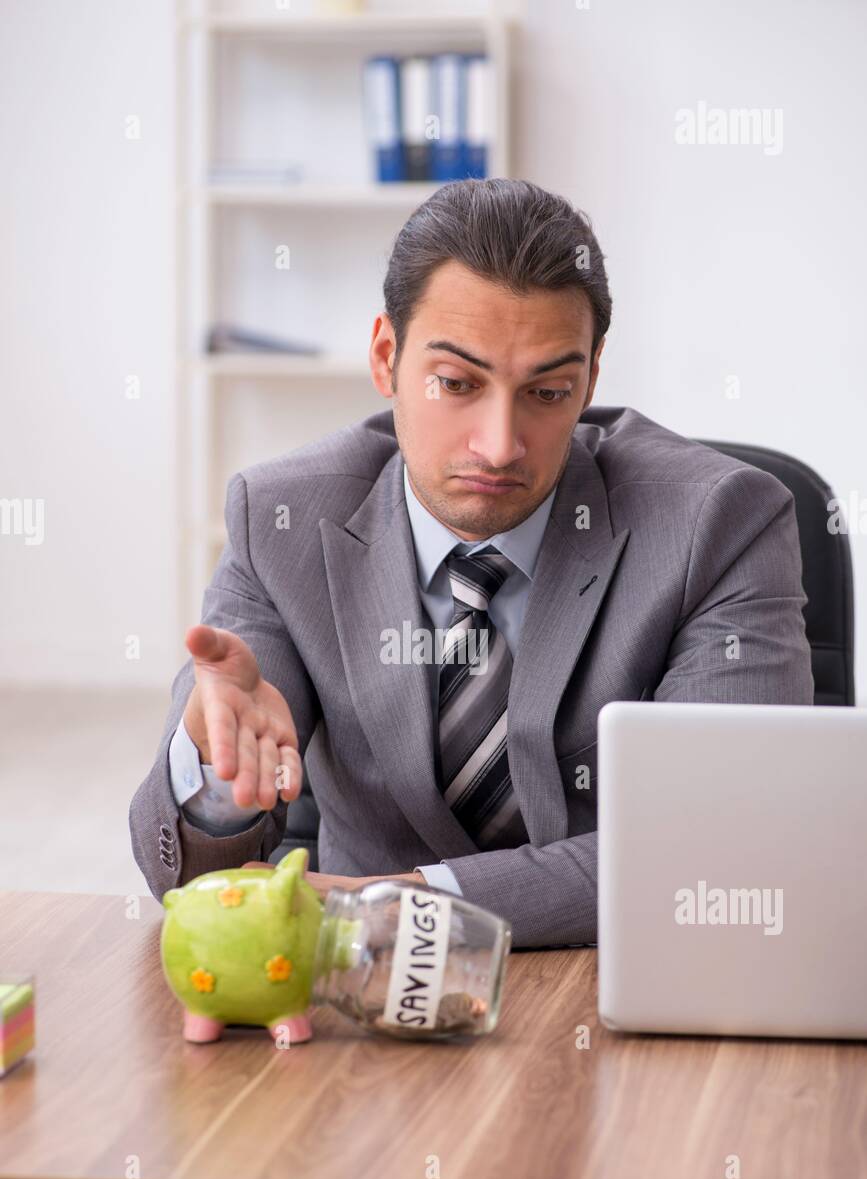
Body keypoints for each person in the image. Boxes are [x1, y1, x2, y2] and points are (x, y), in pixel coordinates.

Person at [129, 178, 813, 949]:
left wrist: (403, 906)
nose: (498, 445)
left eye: (548, 392)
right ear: (386, 358)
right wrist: (219, 779)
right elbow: (190, 884)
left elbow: (724, 844)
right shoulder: (282, 519)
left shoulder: (720, 523)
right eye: (455, 383)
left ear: (589, 378)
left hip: (622, 981)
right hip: (362, 1016)